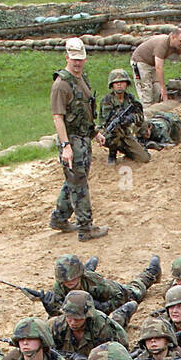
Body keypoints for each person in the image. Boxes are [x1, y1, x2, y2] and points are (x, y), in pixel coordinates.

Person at [50, 37, 108, 243]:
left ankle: (59, 218)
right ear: (67, 57)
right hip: (72, 140)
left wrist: (94, 133)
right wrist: (66, 146)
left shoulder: (81, 79)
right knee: (79, 184)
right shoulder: (61, 85)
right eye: (74, 59)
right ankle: (86, 227)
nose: (77, 63)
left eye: (80, 59)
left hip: (83, 139)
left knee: (74, 180)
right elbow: (58, 117)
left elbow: (85, 110)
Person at [49, 289, 129, 360]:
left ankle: (123, 312)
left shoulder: (102, 327)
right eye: (69, 317)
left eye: (78, 319)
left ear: (87, 316)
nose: (72, 322)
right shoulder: (58, 325)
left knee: (117, 319)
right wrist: (72, 357)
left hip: (105, 351)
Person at [130, 26, 181, 108]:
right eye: (180, 41)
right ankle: (146, 111)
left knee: (156, 91)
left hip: (152, 63)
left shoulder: (177, 46)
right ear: (173, 37)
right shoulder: (162, 44)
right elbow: (159, 67)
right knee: (146, 90)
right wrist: (164, 90)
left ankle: (154, 110)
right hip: (140, 61)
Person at [95, 68, 150, 166]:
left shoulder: (131, 100)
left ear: (127, 84)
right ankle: (112, 154)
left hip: (126, 133)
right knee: (114, 130)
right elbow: (104, 122)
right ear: (112, 85)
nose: (119, 84)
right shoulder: (107, 100)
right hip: (111, 134)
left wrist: (131, 118)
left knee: (144, 158)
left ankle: (126, 149)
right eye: (116, 83)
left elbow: (140, 118)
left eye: (122, 82)